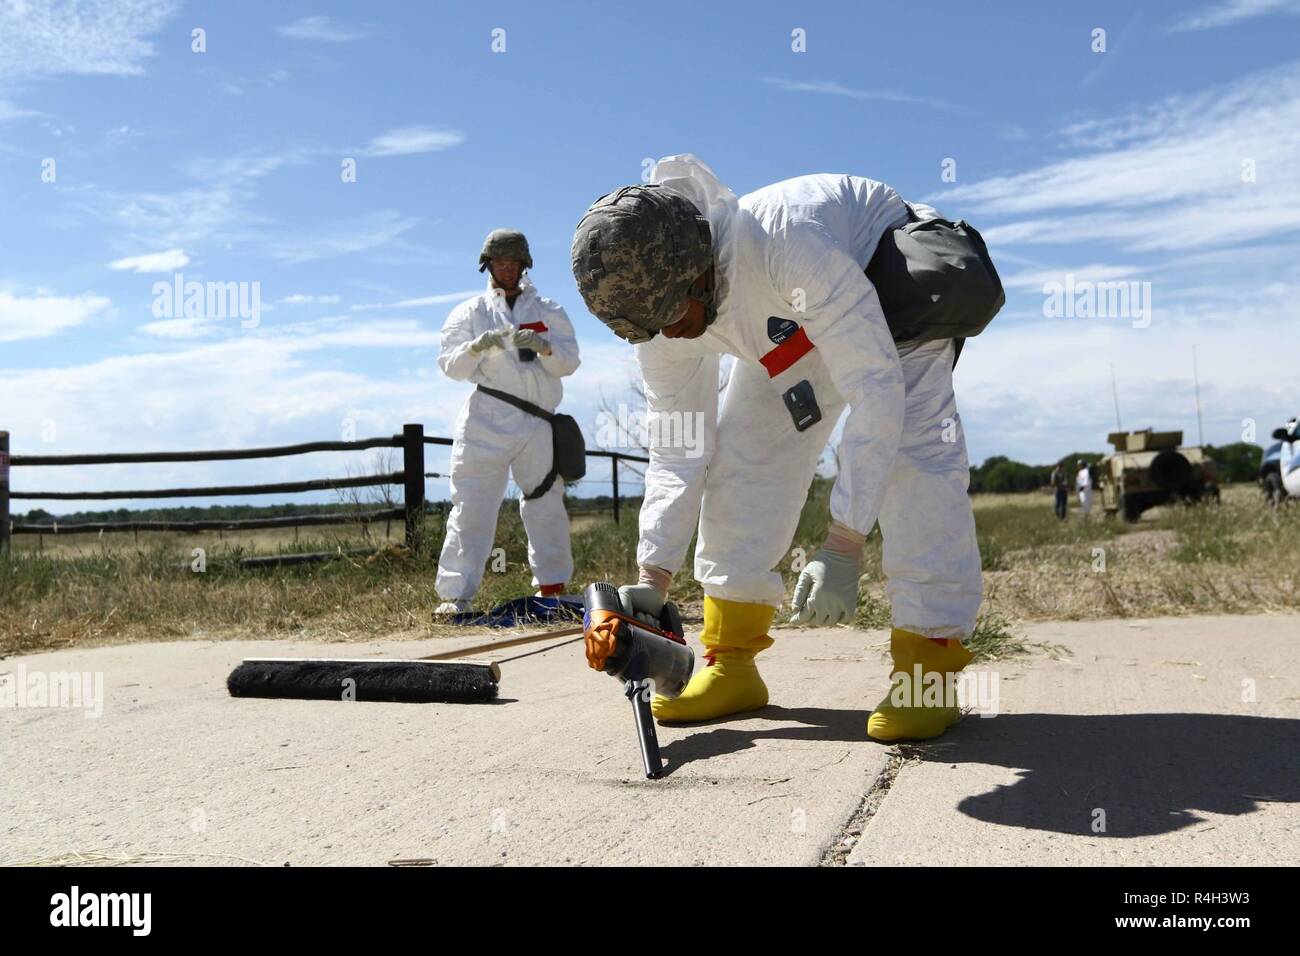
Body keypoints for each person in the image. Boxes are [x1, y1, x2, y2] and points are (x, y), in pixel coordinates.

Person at [571, 155, 985, 741]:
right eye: (649, 326)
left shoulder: (785, 242)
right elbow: (679, 448)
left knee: (913, 463)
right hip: (788, 329)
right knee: (743, 466)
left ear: (699, 268)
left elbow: (875, 389)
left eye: (672, 314)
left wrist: (843, 544)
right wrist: (654, 576)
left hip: (888, 290)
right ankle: (732, 663)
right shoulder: (659, 318)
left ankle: (928, 668)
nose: (670, 333)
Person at [433, 229, 580, 615]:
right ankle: (456, 598)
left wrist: (545, 348)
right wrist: (476, 347)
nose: (508, 269)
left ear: (524, 264)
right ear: (489, 265)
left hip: (536, 423)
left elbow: (570, 362)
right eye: (500, 263)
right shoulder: (470, 313)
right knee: (472, 507)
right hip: (486, 420)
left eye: (514, 263)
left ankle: (552, 589)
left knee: (546, 504)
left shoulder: (548, 309)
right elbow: (450, 365)